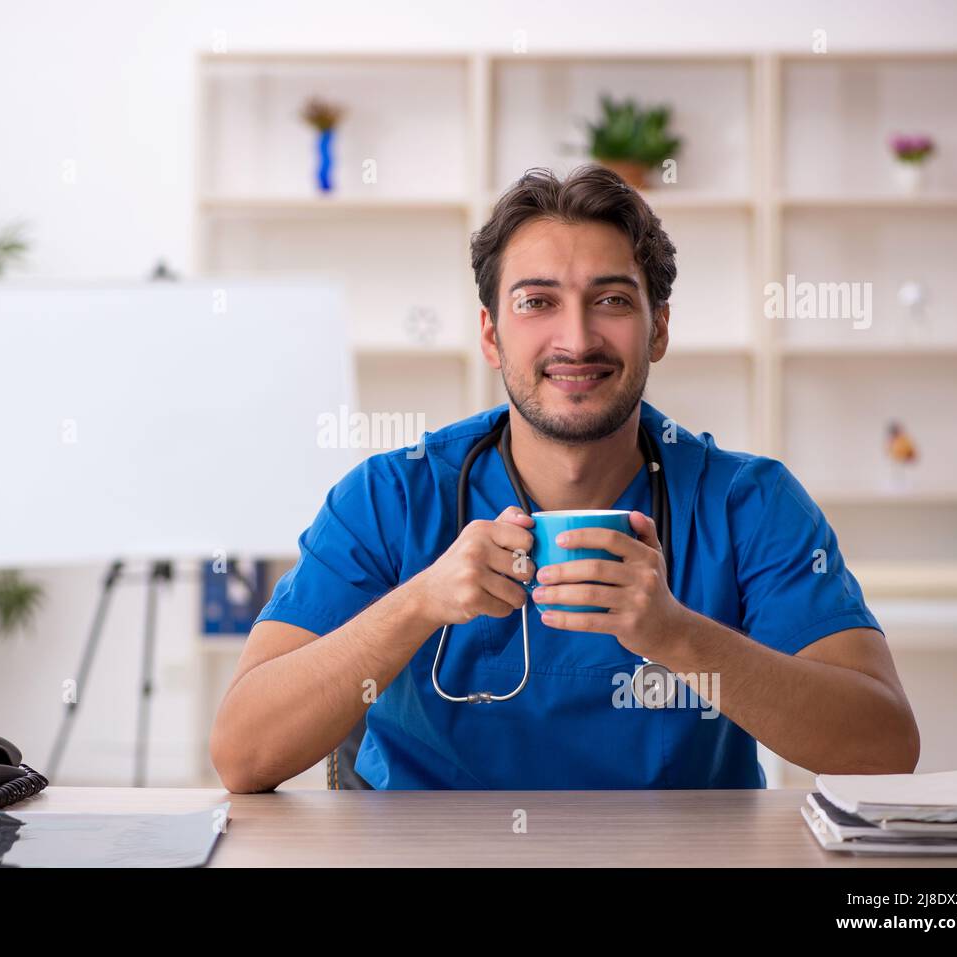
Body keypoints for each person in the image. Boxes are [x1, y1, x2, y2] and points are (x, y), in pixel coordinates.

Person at [210, 164, 919, 792]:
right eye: (537, 301)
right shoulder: (389, 498)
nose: (576, 339)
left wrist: (676, 635)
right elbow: (242, 754)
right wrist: (420, 601)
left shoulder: (749, 504)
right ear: (491, 333)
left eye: (611, 300)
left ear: (658, 328)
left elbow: (884, 748)